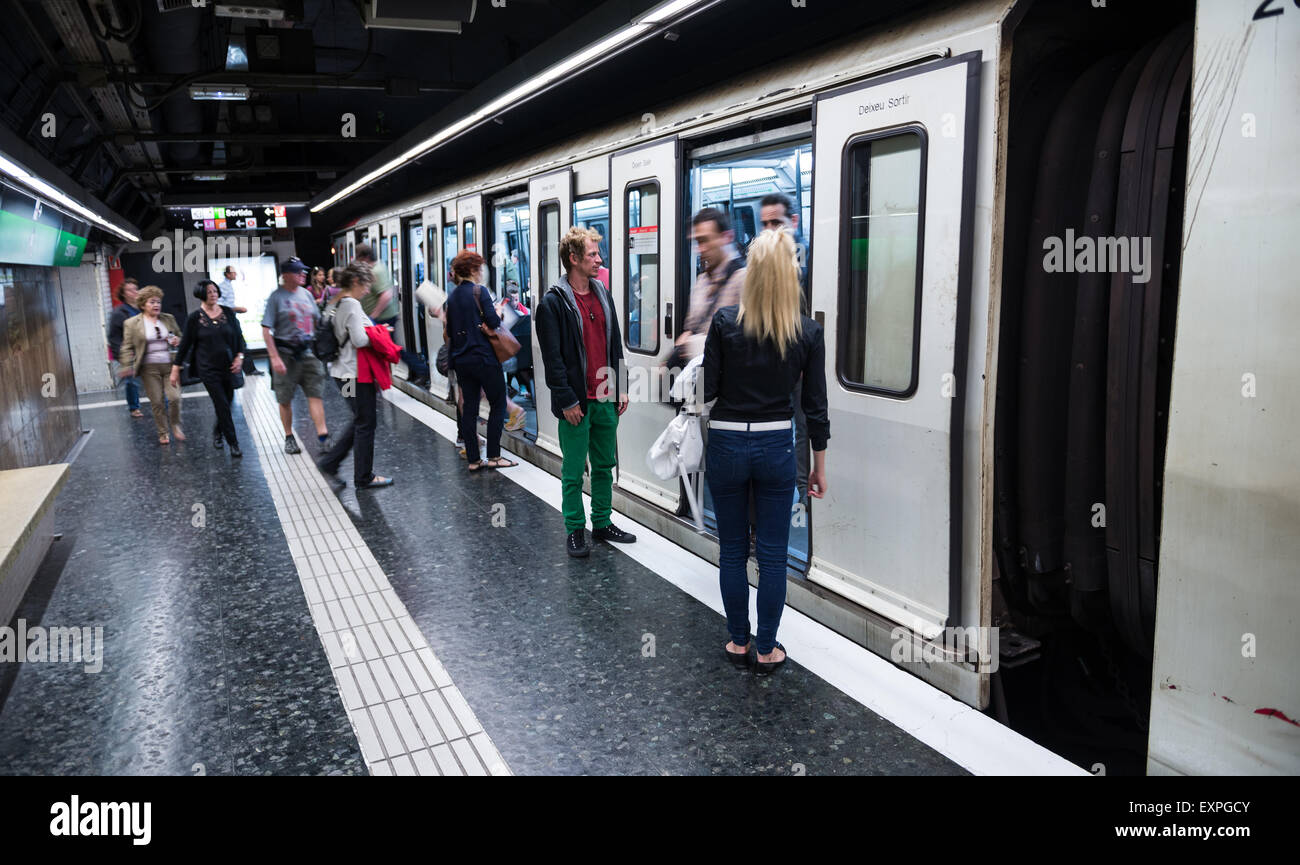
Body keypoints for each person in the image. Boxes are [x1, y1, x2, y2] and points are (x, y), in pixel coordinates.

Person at [702, 229, 829, 674]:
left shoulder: (723, 323)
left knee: (733, 549)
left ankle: (738, 641)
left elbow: (709, 388)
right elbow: (814, 408)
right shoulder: (809, 333)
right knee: (773, 554)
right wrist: (817, 467)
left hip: (728, 442)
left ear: (753, 275)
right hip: (778, 446)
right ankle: (767, 648)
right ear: (791, 276)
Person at [535, 226, 635, 557]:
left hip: (605, 396)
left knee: (606, 466)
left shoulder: (602, 293)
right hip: (577, 402)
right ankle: (575, 529)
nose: (599, 259)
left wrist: (620, 385)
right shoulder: (553, 303)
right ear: (573, 258)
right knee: (574, 471)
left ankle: (602, 522)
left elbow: (614, 343)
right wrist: (566, 400)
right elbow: (553, 361)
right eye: (592, 254)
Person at [316, 262, 394, 488]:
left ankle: (332, 463)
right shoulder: (351, 304)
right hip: (355, 374)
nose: (368, 290)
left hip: (342, 373)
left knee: (361, 419)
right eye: (367, 285)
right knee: (366, 422)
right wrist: (380, 334)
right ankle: (363, 476)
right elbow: (360, 340)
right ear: (357, 282)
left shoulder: (335, 301)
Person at [759, 192, 812, 504]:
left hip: (803, 359)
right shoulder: (761, 259)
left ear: (793, 222)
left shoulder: (806, 256)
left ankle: (803, 495)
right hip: (774, 358)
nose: (770, 230)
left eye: (776, 222)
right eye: (764, 223)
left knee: (803, 426)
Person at [445, 251, 518, 472]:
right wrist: (497, 312)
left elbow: (450, 329)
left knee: (469, 409)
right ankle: (495, 456)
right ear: (475, 270)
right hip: (484, 359)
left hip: (462, 360)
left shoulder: (453, 296)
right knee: (497, 404)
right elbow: (494, 322)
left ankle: (474, 460)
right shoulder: (480, 291)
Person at [262, 256, 330, 454]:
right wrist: (274, 358)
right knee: (285, 399)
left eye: (303, 271)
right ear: (285, 275)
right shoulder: (276, 297)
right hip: (284, 354)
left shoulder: (306, 295)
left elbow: (317, 321)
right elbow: (266, 330)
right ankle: (289, 436)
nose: (302, 274)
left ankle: (323, 436)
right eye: (297, 271)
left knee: (315, 394)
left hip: (307, 352)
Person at [171, 280, 246, 457]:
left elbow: (239, 338)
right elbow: (185, 345)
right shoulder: (195, 318)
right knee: (221, 403)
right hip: (207, 369)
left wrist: (240, 356)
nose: (213, 294)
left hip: (228, 366)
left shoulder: (227, 312)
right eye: (209, 291)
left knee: (226, 402)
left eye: (215, 291)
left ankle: (217, 431)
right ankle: (233, 443)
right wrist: (176, 367)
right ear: (201, 294)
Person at [354, 243, 431, 388]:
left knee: (391, 349)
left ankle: (421, 370)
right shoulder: (377, 268)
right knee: (390, 348)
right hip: (382, 317)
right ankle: (382, 378)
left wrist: (373, 316)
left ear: (365, 257)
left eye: (358, 258)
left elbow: (386, 295)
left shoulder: (375, 271)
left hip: (382, 318)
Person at [117, 285, 185, 445]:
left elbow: (181, 337)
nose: (156, 305)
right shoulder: (132, 323)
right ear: (142, 305)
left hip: (170, 366)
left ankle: (175, 425)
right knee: (157, 402)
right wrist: (126, 365)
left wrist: (178, 340)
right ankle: (163, 432)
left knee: (174, 398)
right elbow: (127, 346)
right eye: (151, 302)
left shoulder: (168, 318)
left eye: (158, 302)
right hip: (149, 368)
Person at [677, 207, 746, 365]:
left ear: (727, 237)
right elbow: (692, 326)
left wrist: (695, 345)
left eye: (705, 240)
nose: (700, 249)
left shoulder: (743, 279)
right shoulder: (702, 280)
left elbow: (745, 342)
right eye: (698, 242)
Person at [106, 277, 143, 418]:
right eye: (129, 290)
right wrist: (121, 356)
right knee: (132, 381)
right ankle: (134, 408)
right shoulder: (119, 313)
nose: (134, 292)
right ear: (123, 293)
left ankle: (160, 402)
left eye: (135, 289)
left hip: (144, 349)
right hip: (128, 352)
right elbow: (113, 337)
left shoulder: (142, 308)